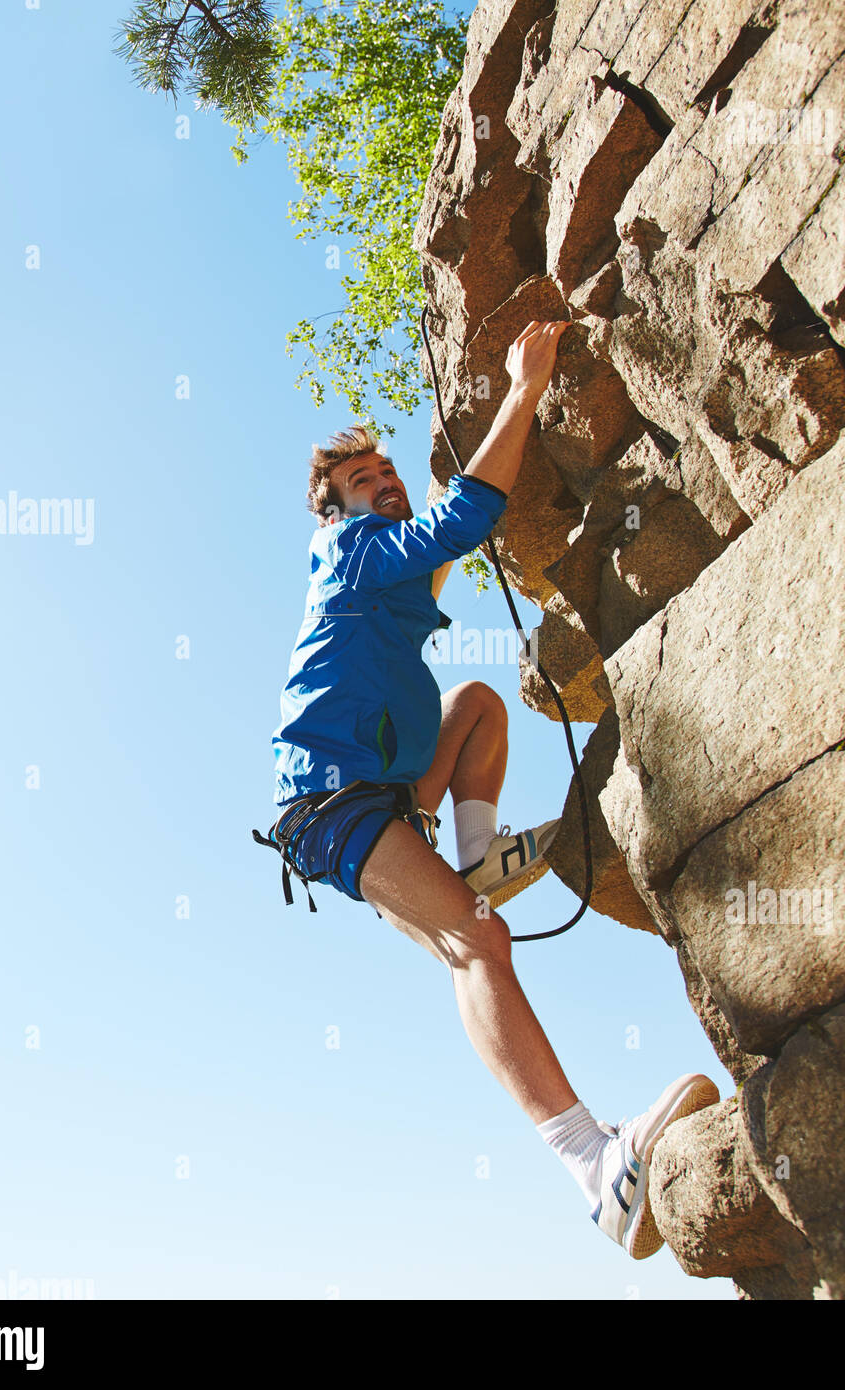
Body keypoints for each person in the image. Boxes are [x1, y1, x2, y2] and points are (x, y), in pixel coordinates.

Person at [265, 320, 719, 1258]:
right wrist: (525, 384)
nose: (383, 484)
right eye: (363, 480)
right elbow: (461, 522)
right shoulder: (348, 552)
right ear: (334, 509)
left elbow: (448, 535)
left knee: (474, 703)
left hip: (385, 796)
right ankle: (595, 1167)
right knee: (476, 942)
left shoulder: (386, 568)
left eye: (388, 474)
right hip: (330, 802)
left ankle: (477, 856)